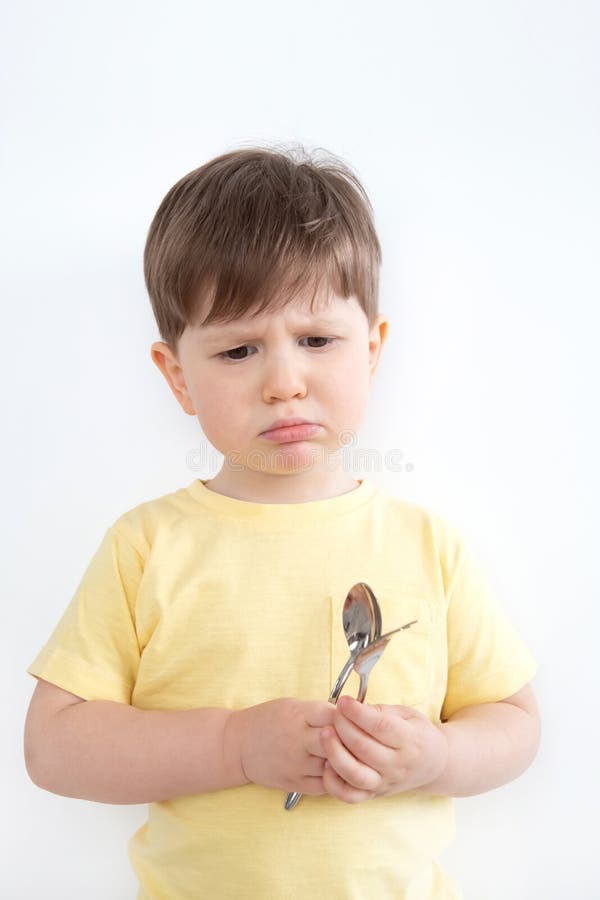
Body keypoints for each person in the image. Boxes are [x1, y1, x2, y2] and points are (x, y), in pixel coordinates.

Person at [24, 144, 541, 900]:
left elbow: (514, 721)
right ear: (178, 378)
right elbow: (53, 746)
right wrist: (234, 745)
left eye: (317, 341)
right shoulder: (147, 546)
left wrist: (437, 757)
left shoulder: (428, 546)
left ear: (371, 350)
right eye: (238, 350)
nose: (284, 383)